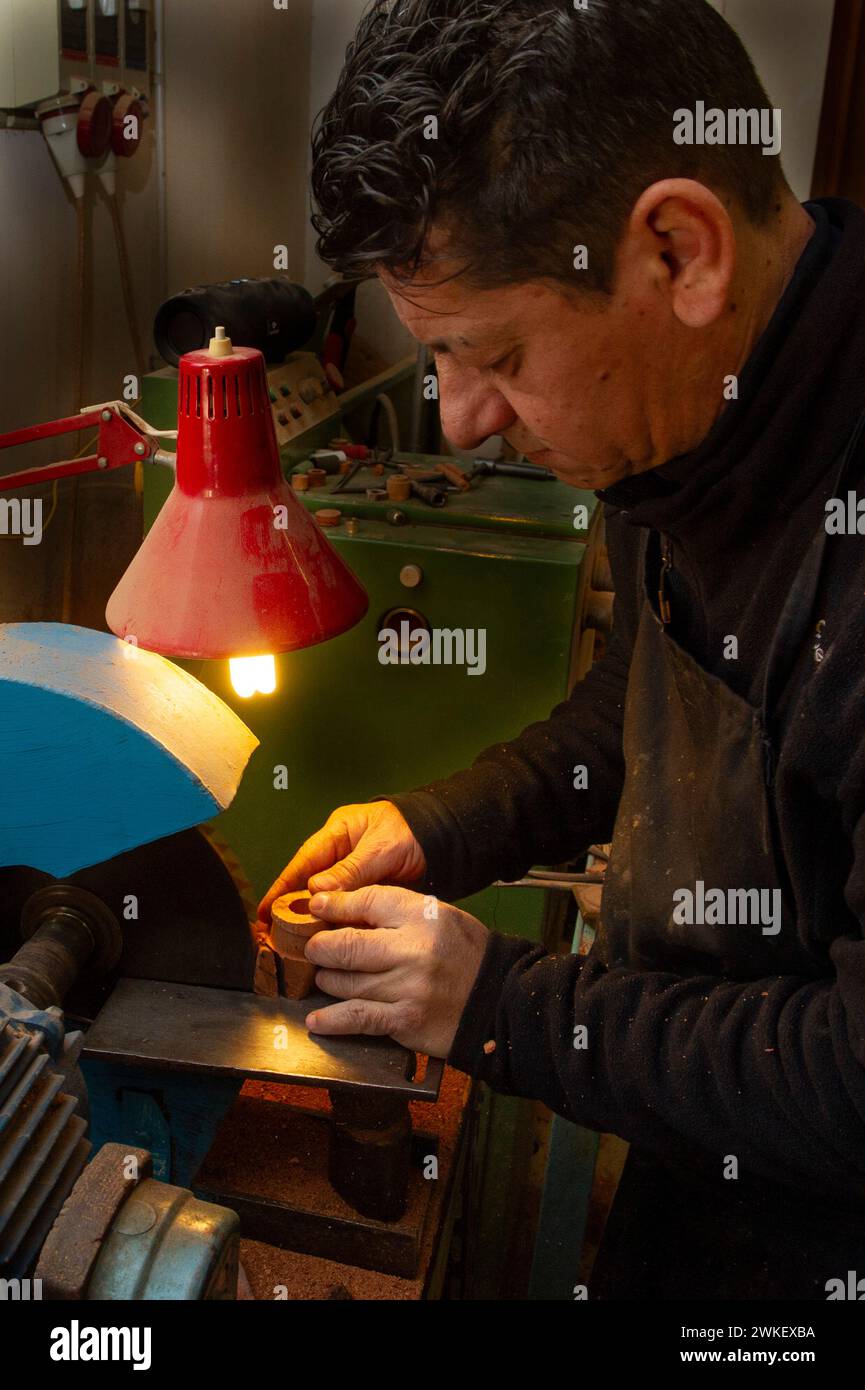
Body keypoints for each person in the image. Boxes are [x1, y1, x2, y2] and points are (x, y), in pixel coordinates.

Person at [259, 0, 865, 1298]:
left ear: (676, 250)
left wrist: (500, 1006)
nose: (467, 422)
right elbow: (632, 714)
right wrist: (437, 824)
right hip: (699, 1124)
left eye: (494, 356)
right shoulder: (690, 414)